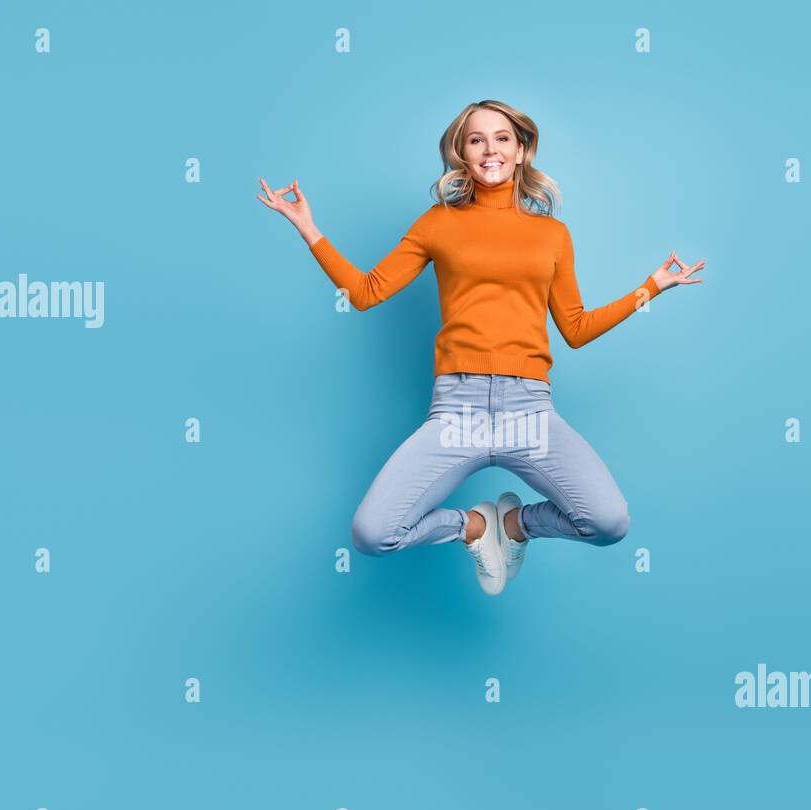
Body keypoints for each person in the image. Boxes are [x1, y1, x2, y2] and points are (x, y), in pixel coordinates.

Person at [256, 99, 703, 595]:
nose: (490, 149)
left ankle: (514, 527)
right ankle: (477, 528)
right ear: (462, 155)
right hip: (456, 411)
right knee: (372, 533)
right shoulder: (438, 223)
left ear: (522, 151)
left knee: (609, 522)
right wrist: (308, 228)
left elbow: (575, 328)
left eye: (502, 138)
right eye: (476, 139)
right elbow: (365, 293)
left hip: (529, 409)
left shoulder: (552, 234)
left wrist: (651, 287)